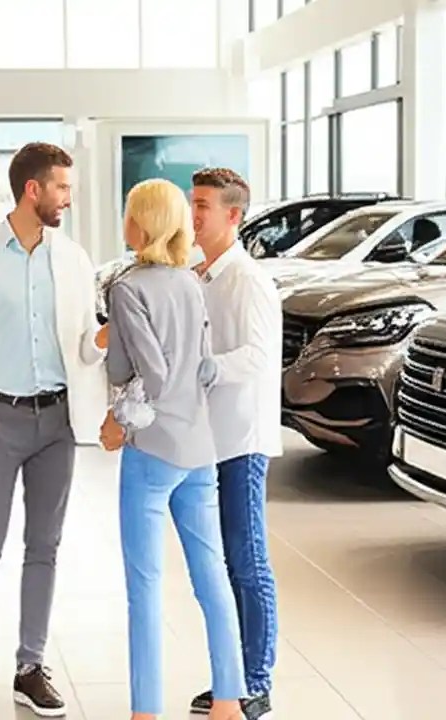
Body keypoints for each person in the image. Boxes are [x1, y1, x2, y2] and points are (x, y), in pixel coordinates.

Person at [0, 142, 108, 718]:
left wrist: (110, 339)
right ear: (32, 190)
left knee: (45, 546)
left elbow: (86, 344)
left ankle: (30, 665)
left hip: (57, 423)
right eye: (62, 187)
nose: (70, 197)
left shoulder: (76, 259)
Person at [101, 178, 245, 720]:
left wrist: (118, 418)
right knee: (211, 576)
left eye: (129, 212)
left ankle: (145, 711)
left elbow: (136, 374)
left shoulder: (126, 287)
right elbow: (202, 367)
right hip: (199, 448)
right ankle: (228, 698)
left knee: (145, 586)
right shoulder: (190, 281)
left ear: (141, 223)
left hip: (153, 452)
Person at [186, 167, 283, 719]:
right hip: (209, 439)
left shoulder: (246, 279)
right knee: (223, 566)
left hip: (240, 442)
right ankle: (230, 676)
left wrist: (199, 369)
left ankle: (256, 682)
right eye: (191, 203)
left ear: (233, 215)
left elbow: (258, 358)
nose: (193, 214)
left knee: (248, 564)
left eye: (203, 205)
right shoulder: (203, 275)